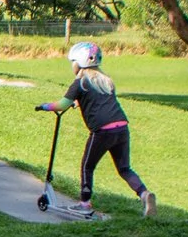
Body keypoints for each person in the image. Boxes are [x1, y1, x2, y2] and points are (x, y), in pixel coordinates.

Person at [36, 41, 155, 220]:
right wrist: (80, 102)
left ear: (79, 62)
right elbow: (99, 100)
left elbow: (61, 105)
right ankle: (144, 194)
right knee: (124, 168)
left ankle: (84, 204)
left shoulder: (80, 83)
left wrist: (44, 106)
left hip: (102, 131)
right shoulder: (106, 81)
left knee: (87, 166)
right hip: (122, 127)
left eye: (73, 62)